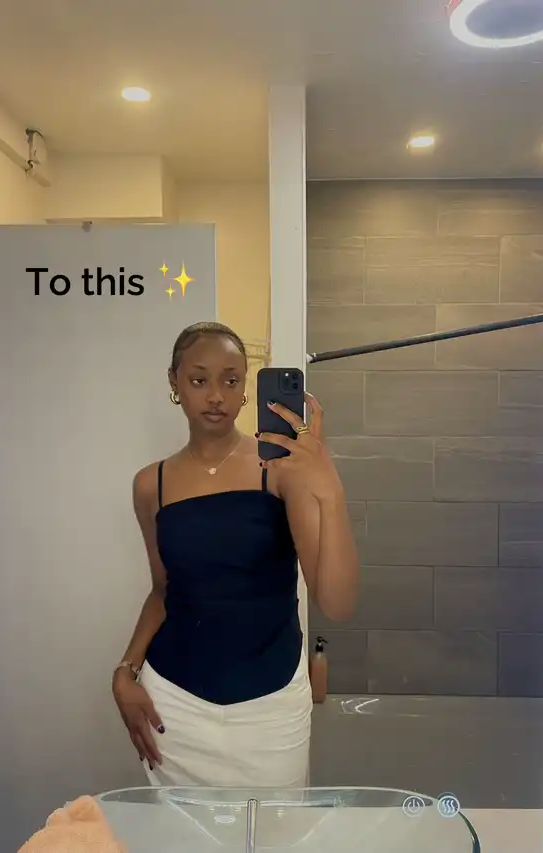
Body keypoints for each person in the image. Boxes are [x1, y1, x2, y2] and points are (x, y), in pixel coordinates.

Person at [112, 321, 359, 788]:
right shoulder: (151, 484)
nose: (216, 396)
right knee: (181, 828)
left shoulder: (280, 471)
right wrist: (126, 671)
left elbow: (338, 603)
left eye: (231, 380)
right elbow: (163, 591)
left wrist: (331, 492)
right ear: (175, 383)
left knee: (275, 825)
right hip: (174, 704)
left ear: (246, 387)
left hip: (271, 702)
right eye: (199, 379)